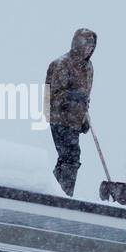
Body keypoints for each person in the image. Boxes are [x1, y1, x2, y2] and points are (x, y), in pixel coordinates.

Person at [45, 28, 97, 196]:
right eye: (86, 45)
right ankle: (65, 193)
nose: (89, 49)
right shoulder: (62, 64)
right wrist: (72, 97)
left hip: (74, 120)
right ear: (78, 44)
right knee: (71, 156)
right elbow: (52, 97)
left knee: (66, 158)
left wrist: (83, 118)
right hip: (59, 118)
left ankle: (52, 190)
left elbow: (85, 96)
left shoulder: (88, 68)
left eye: (92, 46)